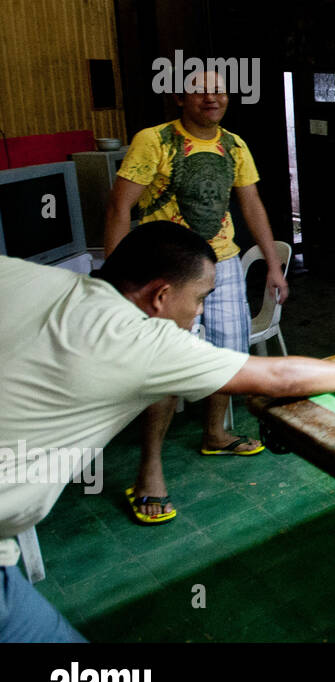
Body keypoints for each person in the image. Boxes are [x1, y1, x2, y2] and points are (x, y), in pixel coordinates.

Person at [0, 222, 335, 641]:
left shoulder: (26, 276)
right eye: (200, 298)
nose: (201, 311)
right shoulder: (144, 341)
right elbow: (277, 376)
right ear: (161, 296)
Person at [104, 69, 286, 523]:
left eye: (219, 89)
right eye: (200, 90)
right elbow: (120, 206)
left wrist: (273, 263)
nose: (211, 97)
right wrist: (116, 278)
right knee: (165, 365)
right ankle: (150, 471)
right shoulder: (155, 140)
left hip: (222, 264)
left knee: (229, 353)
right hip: (168, 268)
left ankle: (216, 434)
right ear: (180, 98)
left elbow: (251, 204)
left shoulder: (235, 145)